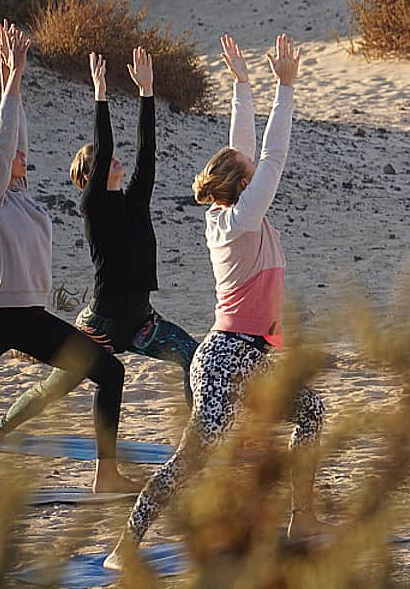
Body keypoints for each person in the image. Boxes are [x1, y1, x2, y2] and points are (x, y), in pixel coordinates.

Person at [105, 33, 326, 569]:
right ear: (242, 187)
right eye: (247, 175)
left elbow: (247, 155)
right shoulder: (239, 220)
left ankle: (302, 514)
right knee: (192, 460)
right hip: (226, 359)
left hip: (249, 355)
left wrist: (243, 86)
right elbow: (270, 156)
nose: (253, 171)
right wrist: (286, 90)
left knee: (312, 412)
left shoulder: (233, 212)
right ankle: (125, 543)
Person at [0, 21, 136, 492]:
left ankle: (105, 476)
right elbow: (4, 144)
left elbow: (12, 138)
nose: (24, 157)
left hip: (29, 319)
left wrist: (14, 78)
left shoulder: (17, 193)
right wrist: (10, 82)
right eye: (13, 158)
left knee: (111, 372)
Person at [0, 47, 199, 449]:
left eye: (111, 158)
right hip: (101, 327)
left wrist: (147, 94)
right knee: (55, 387)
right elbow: (105, 141)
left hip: (142, 323)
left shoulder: (135, 202)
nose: (112, 159)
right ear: (88, 176)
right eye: (101, 158)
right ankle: (1, 429)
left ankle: (199, 439)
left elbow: (147, 152)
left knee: (192, 356)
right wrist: (100, 94)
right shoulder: (93, 206)